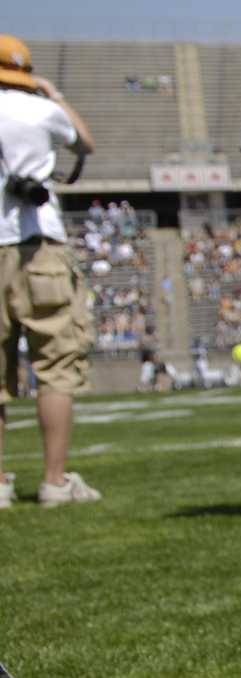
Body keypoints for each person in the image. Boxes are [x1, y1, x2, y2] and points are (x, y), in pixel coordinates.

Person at [0, 34, 99, 509]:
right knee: (55, 367)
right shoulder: (41, 111)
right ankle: (54, 482)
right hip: (39, 244)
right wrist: (52, 93)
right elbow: (85, 142)